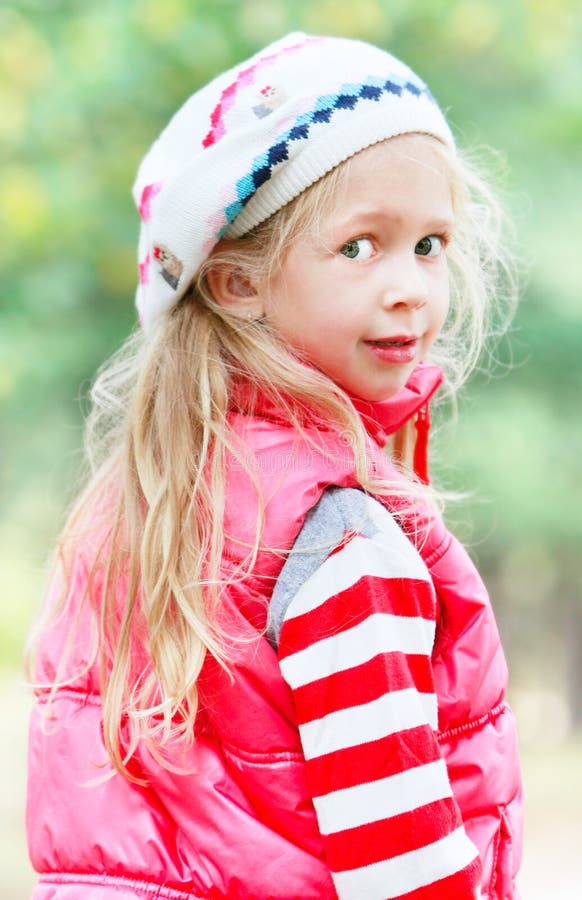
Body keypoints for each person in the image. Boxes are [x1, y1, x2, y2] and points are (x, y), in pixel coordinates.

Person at [26, 32, 523, 900]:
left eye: (430, 245)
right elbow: (402, 867)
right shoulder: (338, 537)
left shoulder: (139, 504)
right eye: (359, 246)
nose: (410, 286)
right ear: (238, 284)